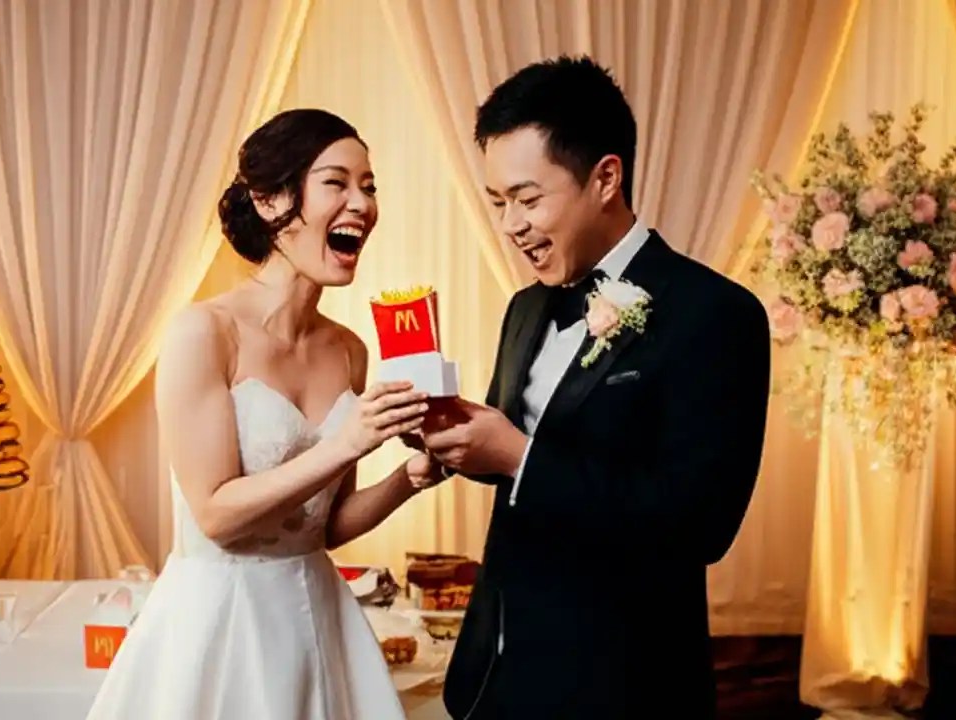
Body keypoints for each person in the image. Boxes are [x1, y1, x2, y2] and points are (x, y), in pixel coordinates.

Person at [415, 55, 772, 718]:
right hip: (495, 674)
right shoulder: (525, 307)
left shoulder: (715, 314)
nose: (511, 225)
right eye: (498, 203)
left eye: (527, 198)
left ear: (605, 177)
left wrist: (518, 456)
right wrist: (453, 436)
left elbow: (700, 526)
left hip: (622, 683)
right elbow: (515, 457)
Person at [85, 108, 445, 720]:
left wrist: (411, 477)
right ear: (272, 200)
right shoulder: (204, 331)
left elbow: (325, 528)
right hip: (221, 622)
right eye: (337, 183)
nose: (362, 203)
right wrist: (347, 442)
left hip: (318, 620)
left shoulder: (350, 349)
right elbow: (216, 514)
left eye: (369, 185)